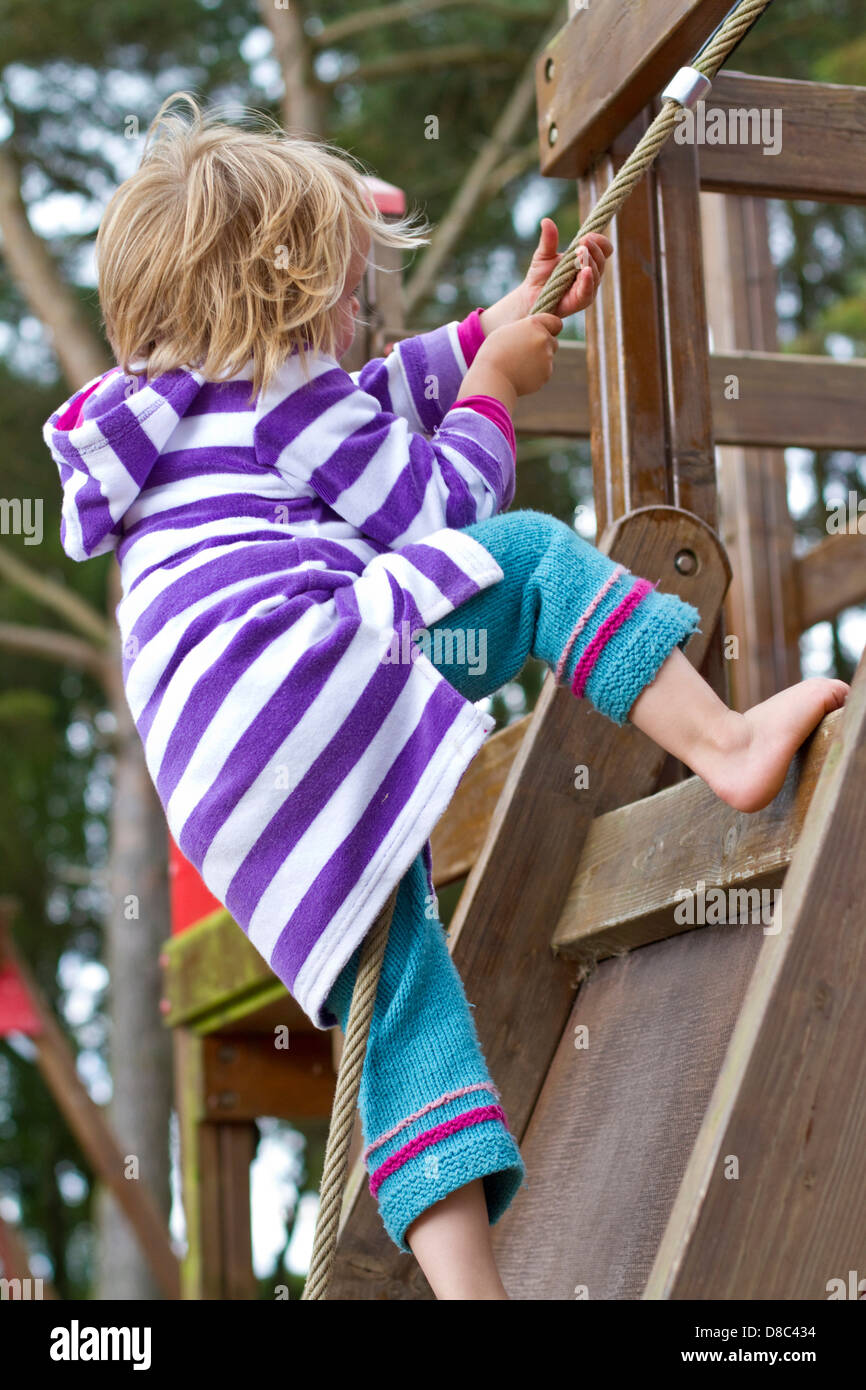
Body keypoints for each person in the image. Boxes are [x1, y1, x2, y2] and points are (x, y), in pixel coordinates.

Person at [43, 93, 848, 1299]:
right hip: (306, 687)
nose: (358, 319)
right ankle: (728, 742)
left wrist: (490, 331)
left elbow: (364, 397)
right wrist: (489, 394)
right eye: (344, 294)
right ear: (287, 293)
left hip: (232, 785)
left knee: (406, 989)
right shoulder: (286, 395)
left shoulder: (181, 410)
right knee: (523, 561)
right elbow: (433, 509)